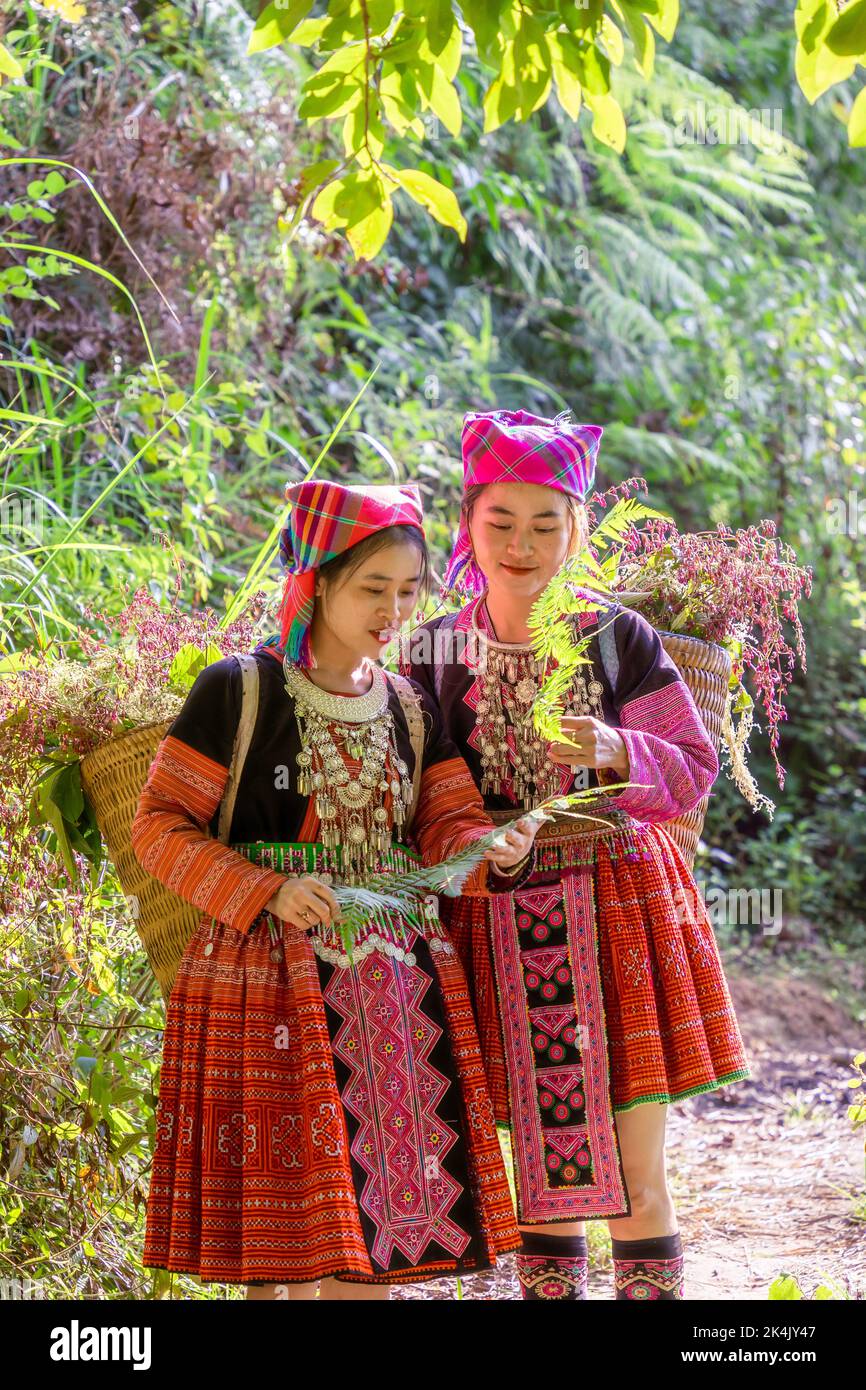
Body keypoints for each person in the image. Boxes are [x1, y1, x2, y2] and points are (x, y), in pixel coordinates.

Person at [131, 478, 539, 1300]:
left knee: (375, 1238)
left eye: (408, 591)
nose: (393, 610)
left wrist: (492, 846)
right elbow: (159, 825)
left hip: (392, 986)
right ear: (315, 581)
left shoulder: (412, 710)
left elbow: (446, 823)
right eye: (372, 588)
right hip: (264, 984)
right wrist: (264, 889)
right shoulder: (239, 692)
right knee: (276, 1245)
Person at [401, 408, 751, 1301]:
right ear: (467, 525)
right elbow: (420, 789)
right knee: (541, 1188)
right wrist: (474, 837)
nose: (521, 544)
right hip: (498, 917)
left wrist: (613, 748)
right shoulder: (436, 650)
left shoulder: (618, 637)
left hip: (617, 917)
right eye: (500, 522)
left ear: (579, 527)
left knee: (636, 1171)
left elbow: (696, 767)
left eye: (545, 523)